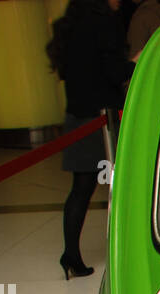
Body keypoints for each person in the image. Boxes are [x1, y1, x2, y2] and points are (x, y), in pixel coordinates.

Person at [46, 0, 135, 279]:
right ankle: (128, 251)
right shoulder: (104, 23)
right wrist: (135, 63)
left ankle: (70, 253)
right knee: (122, 184)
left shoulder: (69, 26)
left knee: (81, 188)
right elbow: (115, 72)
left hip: (77, 117)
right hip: (102, 119)